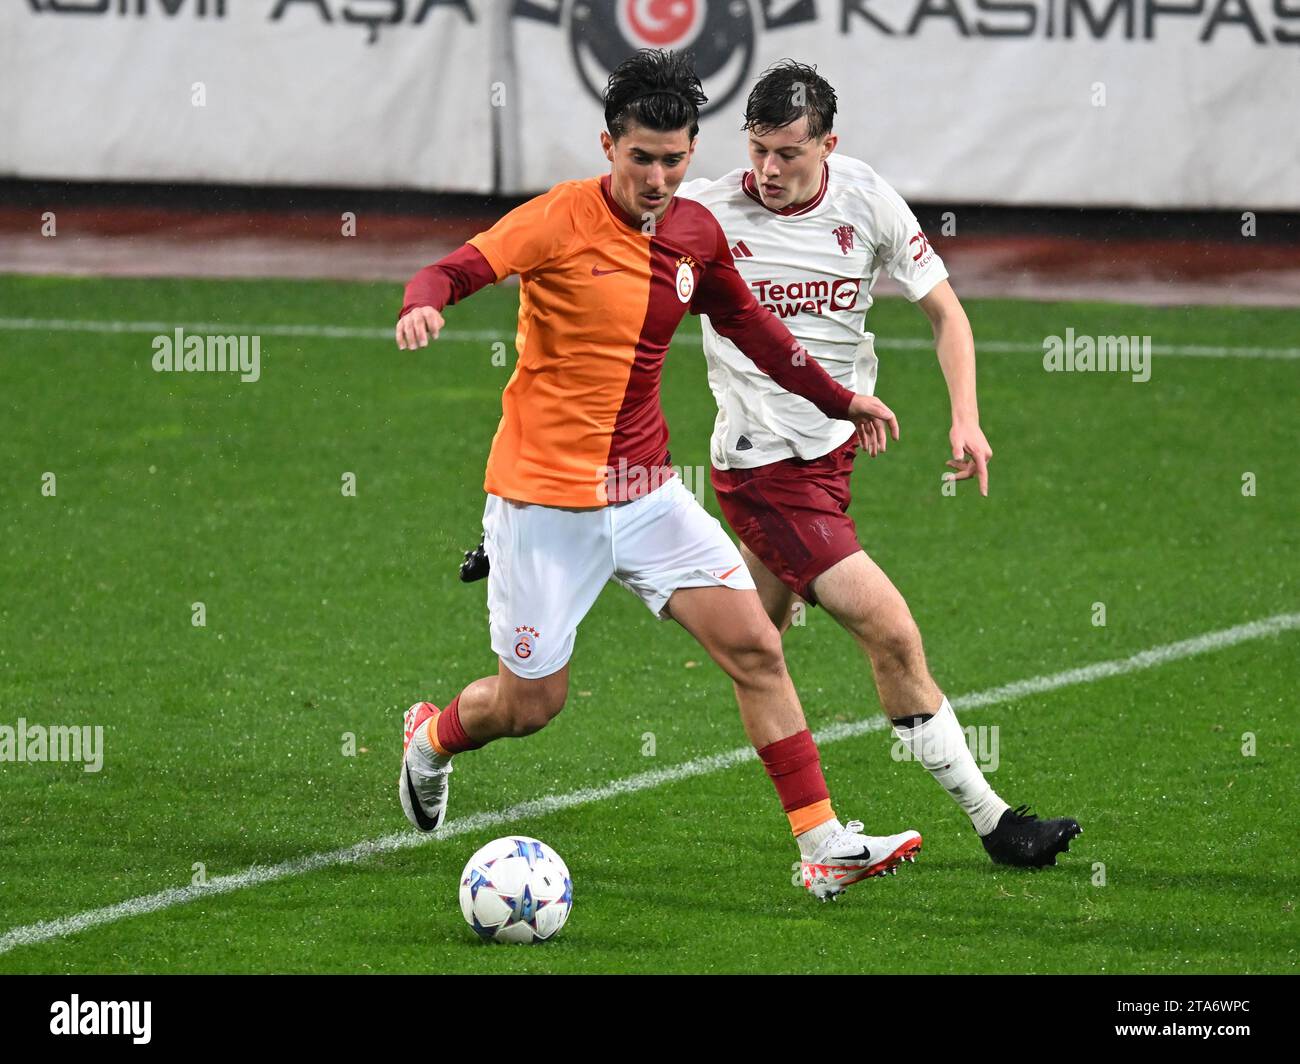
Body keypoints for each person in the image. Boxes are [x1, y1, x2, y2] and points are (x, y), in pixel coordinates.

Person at [395, 49, 920, 900]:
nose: (658, 177)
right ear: (609, 146)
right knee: (529, 707)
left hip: (646, 496)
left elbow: (752, 327)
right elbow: (456, 268)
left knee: (756, 645)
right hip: (543, 503)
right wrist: (423, 301)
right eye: (641, 157)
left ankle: (821, 846)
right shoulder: (557, 220)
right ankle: (433, 736)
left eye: (675, 160)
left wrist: (840, 397)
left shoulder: (694, 233)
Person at [676, 60, 1081, 867]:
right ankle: (995, 822)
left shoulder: (865, 198)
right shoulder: (707, 214)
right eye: (757, 149)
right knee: (892, 634)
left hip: (831, 458)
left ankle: (472, 710)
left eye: (789, 152)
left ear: (830, 142)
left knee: (755, 647)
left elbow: (946, 314)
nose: (769, 170)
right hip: (765, 471)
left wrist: (966, 418)